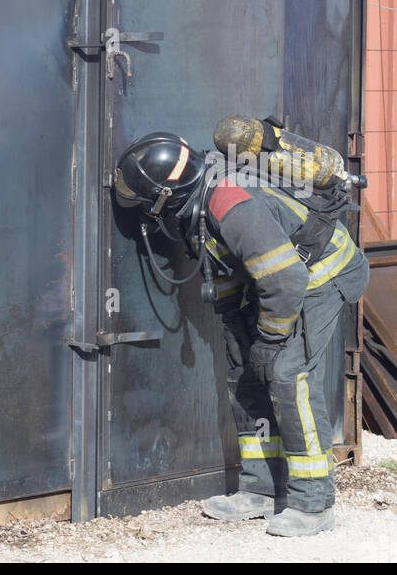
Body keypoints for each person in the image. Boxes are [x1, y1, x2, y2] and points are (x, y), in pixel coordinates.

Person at [114, 131, 369, 537]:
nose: (146, 210)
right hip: (282, 283)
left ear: (164, 194)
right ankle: (261, 490)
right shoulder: (194, 208)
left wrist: (268, 340)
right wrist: (234, 323)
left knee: (288, 375)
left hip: (322, 277)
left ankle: (313, 503)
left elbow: (286, 279)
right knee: (245, 372)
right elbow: (227, 267)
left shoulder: (229, 204)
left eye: (147, 200)